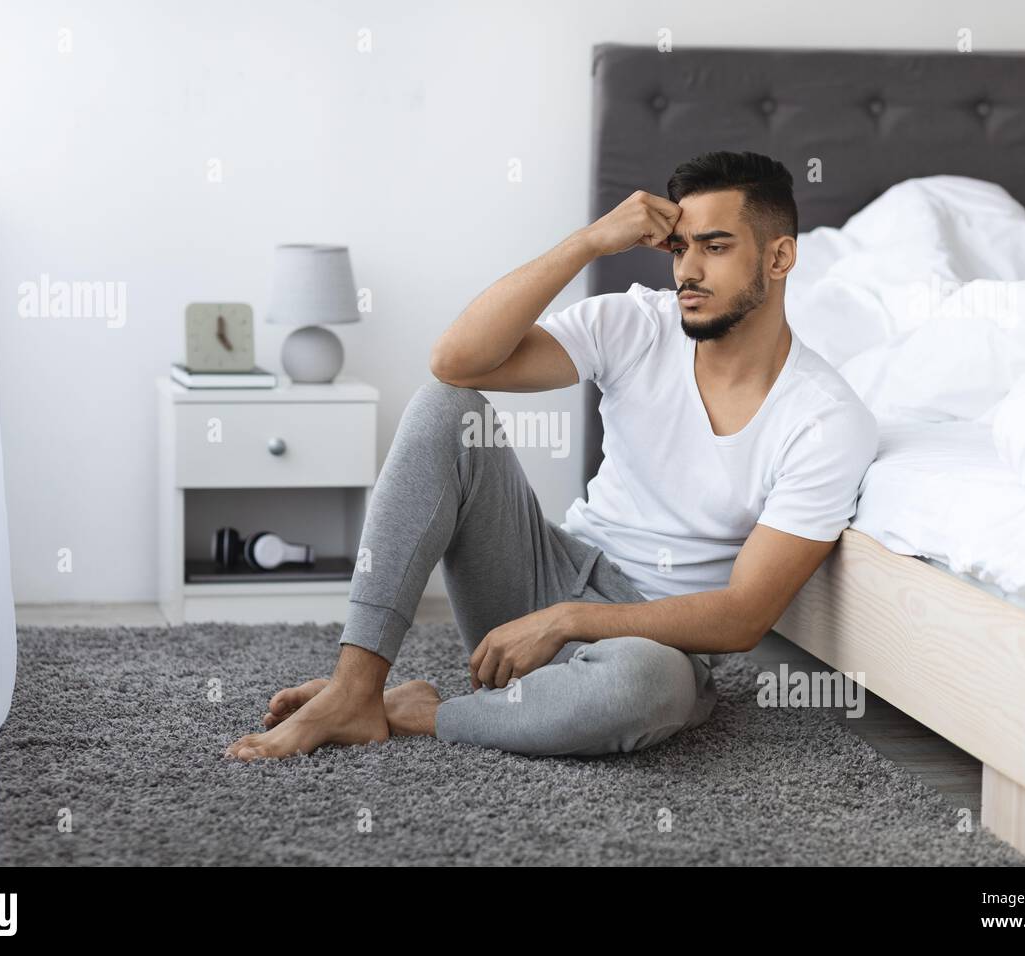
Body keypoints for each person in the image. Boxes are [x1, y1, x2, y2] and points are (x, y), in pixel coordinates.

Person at [225, 150, 878, 761]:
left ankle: (417, 713)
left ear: (779, 257)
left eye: (715, 247)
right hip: (541, 576)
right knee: (444, 405)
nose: (688, 271)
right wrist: (587, 242)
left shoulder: (825, 420)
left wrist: (568, 620)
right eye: (681, 248)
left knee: (640, 691)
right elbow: (456, 362)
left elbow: (742, 618)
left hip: (656, 641)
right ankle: (354, 685)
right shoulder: (635, 324)